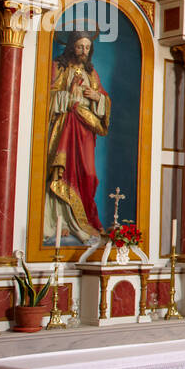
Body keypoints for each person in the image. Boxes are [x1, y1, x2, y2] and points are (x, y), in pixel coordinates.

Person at [46, 32, 110, 244]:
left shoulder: (92, 73)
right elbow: (46, 97)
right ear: (72, 46)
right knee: (63, 170)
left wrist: (97, 97)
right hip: (65, 125)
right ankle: (61, 221)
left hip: (86, 128)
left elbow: (104, 101)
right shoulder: (59, 67)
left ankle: (83, 220)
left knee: (88, 174)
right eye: (80, 46)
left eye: (87, 47)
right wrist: (69, 92)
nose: (83, 51)